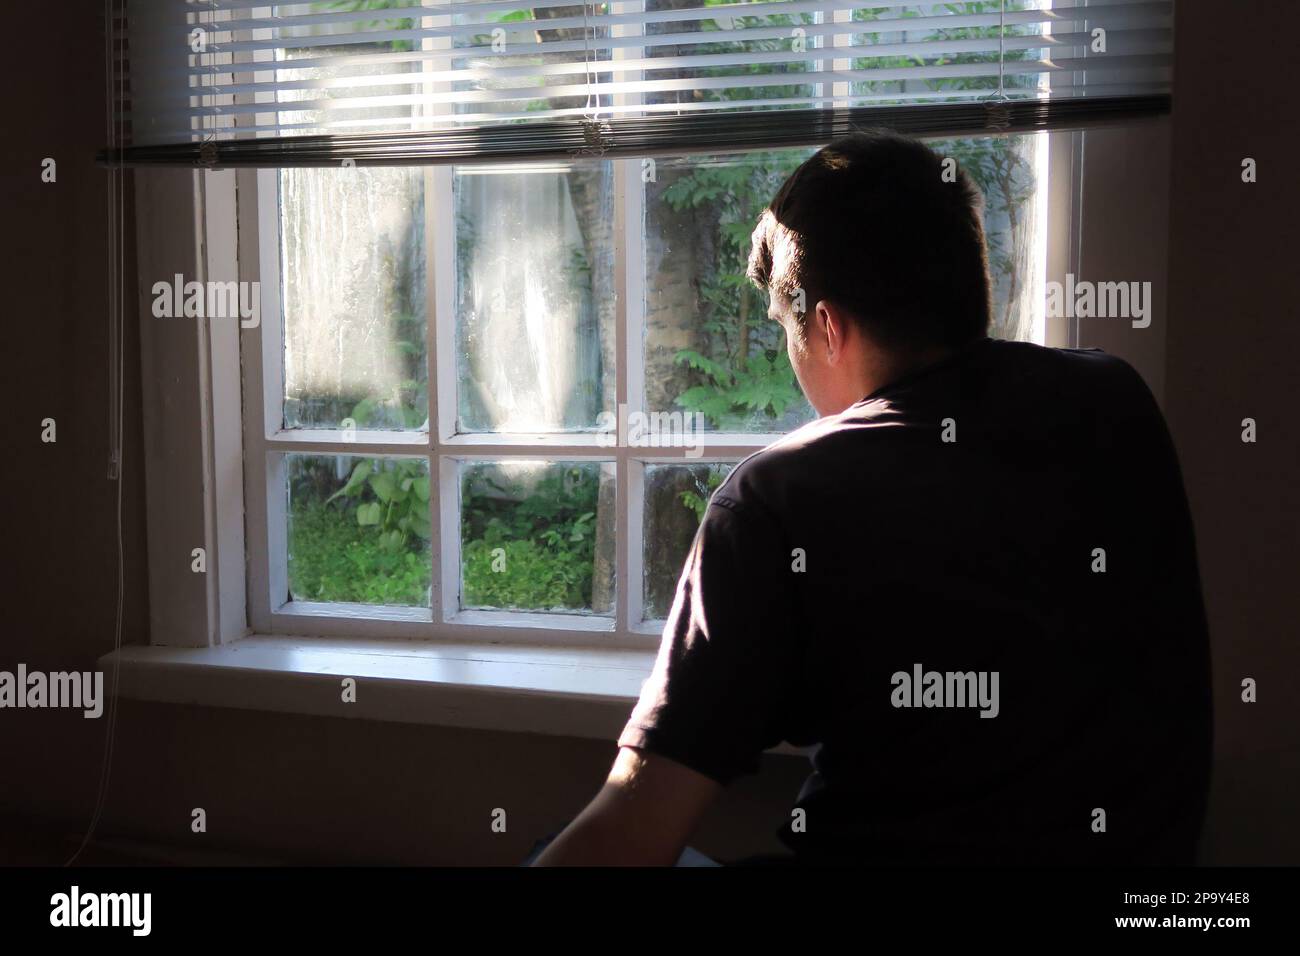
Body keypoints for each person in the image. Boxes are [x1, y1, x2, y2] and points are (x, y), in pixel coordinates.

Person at [532, 130, 1212, 867]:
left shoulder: (776, 500)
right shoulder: (1113, 399)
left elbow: (636, 827)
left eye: (785, 332)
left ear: (826, 326)